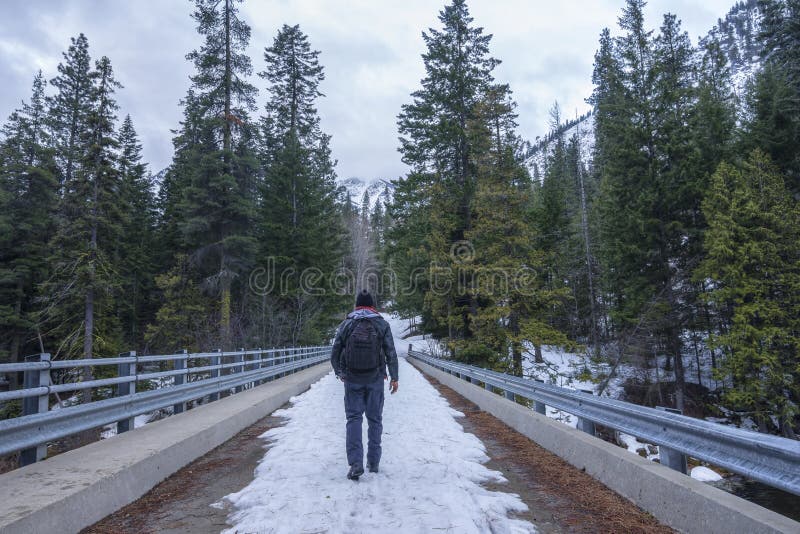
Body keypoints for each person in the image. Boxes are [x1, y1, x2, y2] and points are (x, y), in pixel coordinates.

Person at [330, 289, 399, 481]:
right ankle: (374, 462)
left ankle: (355, 464)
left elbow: (335, 352)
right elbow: (391, 352)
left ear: (357, 305)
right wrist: (394, 377)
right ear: (372, 305)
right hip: (375, 378)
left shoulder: (347, 323)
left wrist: (340, 373)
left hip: (352, 379)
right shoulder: (381, 323)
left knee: (354, 419)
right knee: (375, 420)